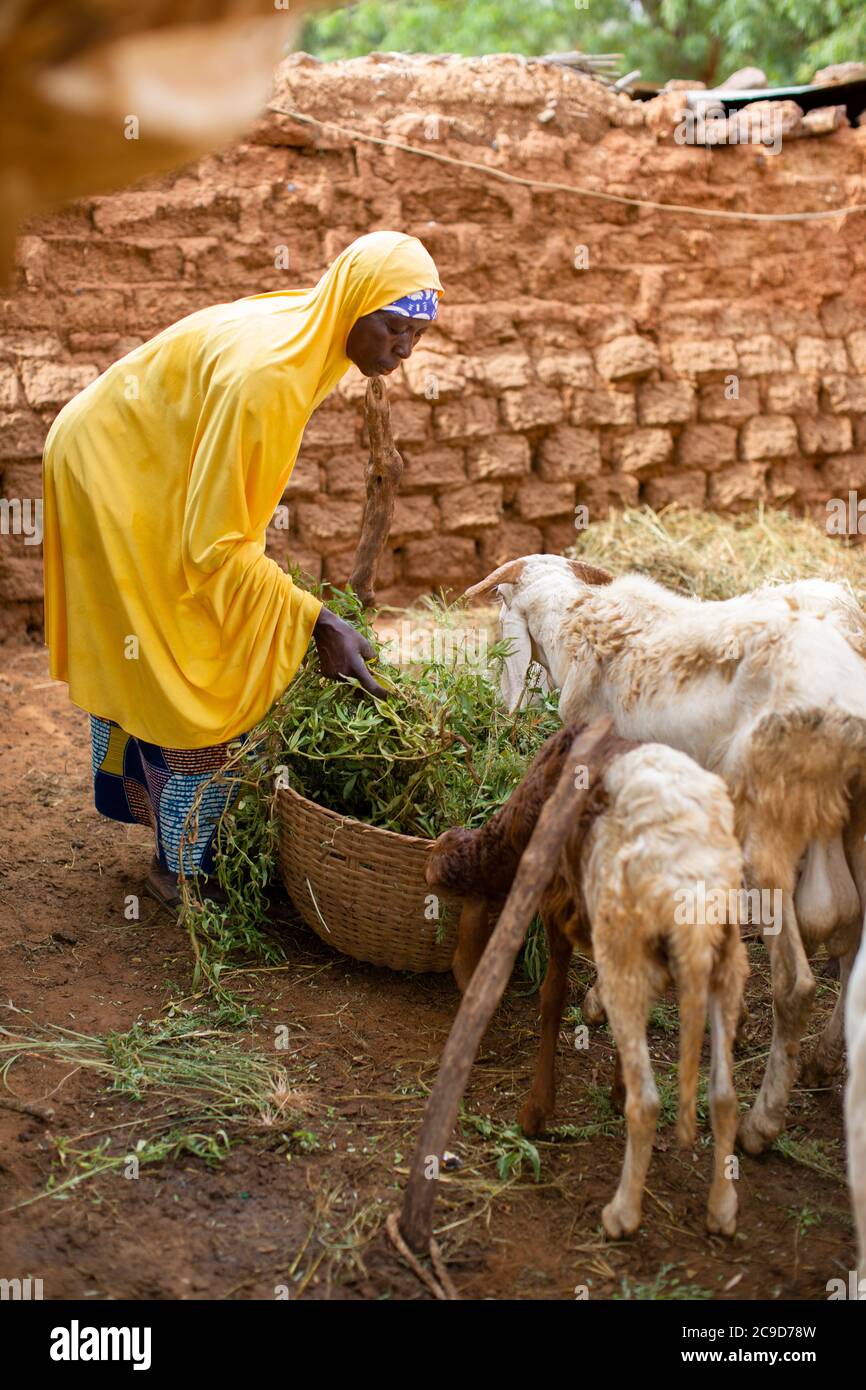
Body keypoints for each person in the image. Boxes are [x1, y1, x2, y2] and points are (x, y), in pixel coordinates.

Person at [42, 230, 442, 908]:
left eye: (420, 335)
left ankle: (185, 841)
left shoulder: (310, 335)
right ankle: (184, 866)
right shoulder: (273, 377)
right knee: (199, 642)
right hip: (108, 470)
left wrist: (295, 609)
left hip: (139, 458)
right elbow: (217, 548)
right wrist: (317, 622)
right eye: (394, 328)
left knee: (206, 615)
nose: (404, 351)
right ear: (352, 307)